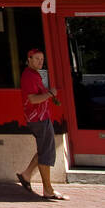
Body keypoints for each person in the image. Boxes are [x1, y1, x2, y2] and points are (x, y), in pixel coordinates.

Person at [18, 48, 67, 200]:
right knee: (46, 153)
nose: (40, 61)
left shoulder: (34, 75)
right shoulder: (29, 77)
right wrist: (51, 94)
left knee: (43, 150)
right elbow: (33, 99)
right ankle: (48, 190)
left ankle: (26, 175)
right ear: (29, 59)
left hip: (41, 118)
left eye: (42, 59)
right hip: (38, 119)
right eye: (37, 59)